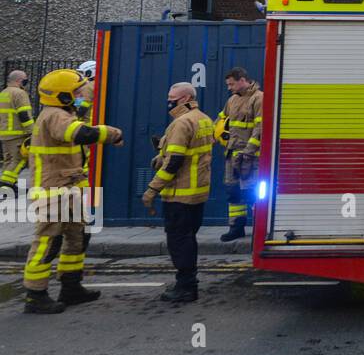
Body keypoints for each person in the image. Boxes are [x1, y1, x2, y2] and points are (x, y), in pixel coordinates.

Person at [22, 69, 124, 314]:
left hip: (69, 191)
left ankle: (71, 286)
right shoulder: (55, 116)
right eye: (75, 93)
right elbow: (80, 133)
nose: (80, 96)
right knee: (48, 243)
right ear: (62, 96)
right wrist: (112, 133)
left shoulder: (63, 112)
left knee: (79, 237)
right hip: (52, 192)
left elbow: (80, 112)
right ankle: (35, 295)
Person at [141, 83, 214, 303]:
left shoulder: (181, 123)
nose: (168, 101)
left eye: (172, 98)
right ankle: (188, 282)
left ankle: (186, 287)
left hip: (179, 193)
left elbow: (175, 162)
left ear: (185, 98)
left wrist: (153, 189)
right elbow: (187, 153)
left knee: (179, 241)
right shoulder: (203, 119)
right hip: (197, 193)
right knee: (188, 239)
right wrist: (161, 154)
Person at [214, 67, 262, 242]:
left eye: (231, 84)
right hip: (232, 153)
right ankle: (236, 227)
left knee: (252, 192)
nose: (229, 87)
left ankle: (260, 227)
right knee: (232, 191)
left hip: (250, 156)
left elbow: (260, 129)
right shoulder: (232, 100)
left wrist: (249, 152)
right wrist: (212, 136)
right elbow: (220, 121)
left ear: (242, 80)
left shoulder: (259, 98)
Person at [0, 70, 34, 190]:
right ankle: (6, 186)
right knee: (19, 160)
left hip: (4, 134)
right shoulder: (19, 93)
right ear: (19, 80)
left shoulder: (3, 93)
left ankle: (5, 183)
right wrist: (32, 132)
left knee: (8, 161)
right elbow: (24, 114)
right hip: (17, 134)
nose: (26, 81)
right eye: (25, 79)